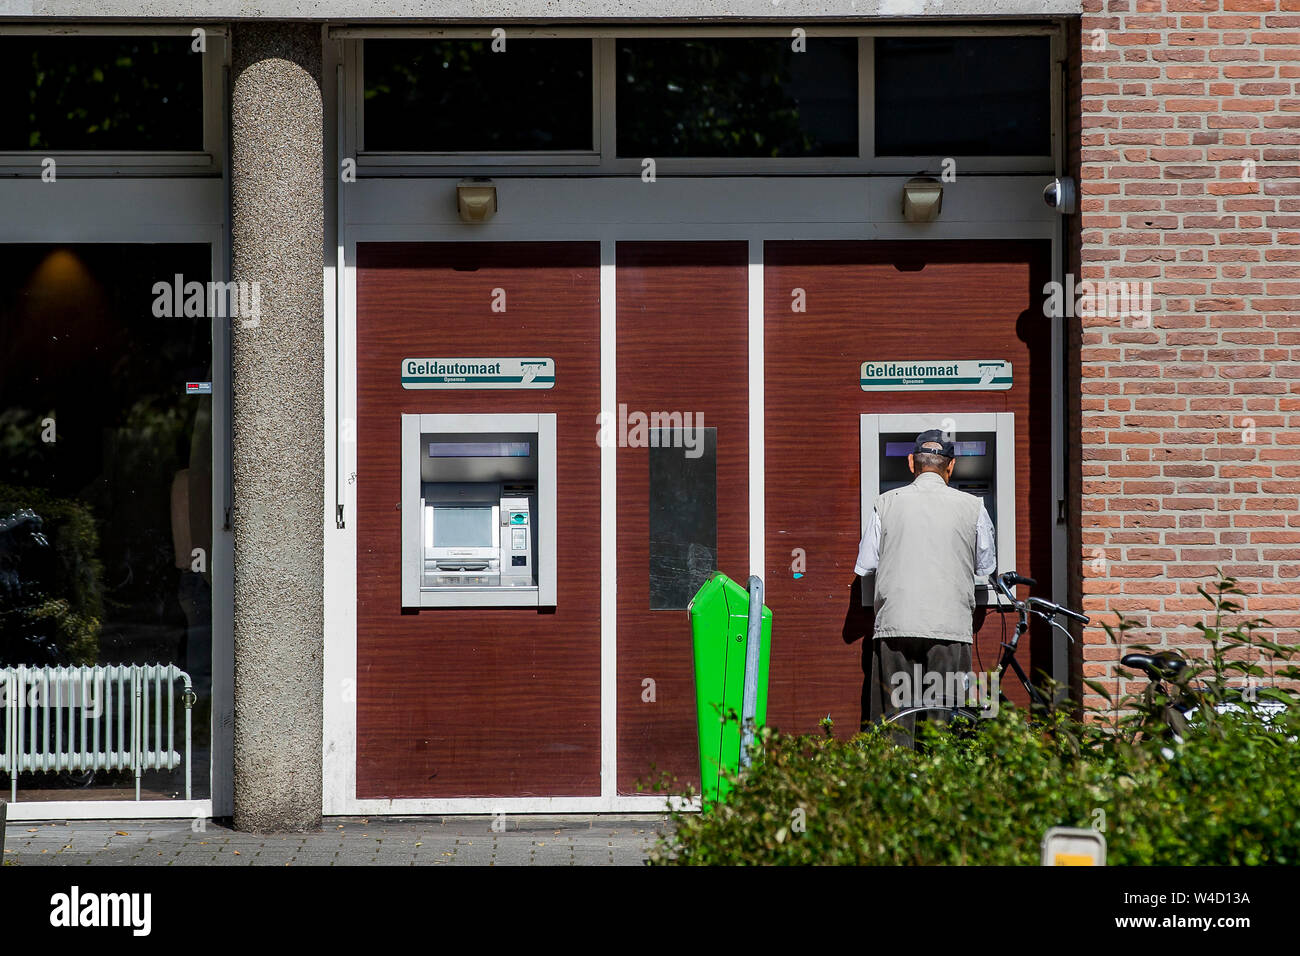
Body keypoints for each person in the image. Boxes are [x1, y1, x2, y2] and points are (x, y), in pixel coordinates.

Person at [854, 429, 996, 741]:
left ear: (910, 462)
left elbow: (865, 566)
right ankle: (941, 785)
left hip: (896, 629)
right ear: (952, 465)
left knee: (894, 725)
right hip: (949, 630)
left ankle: (894, 783)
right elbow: (986, 567)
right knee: (942, 726)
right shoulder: (974, 507)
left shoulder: (885, 503)